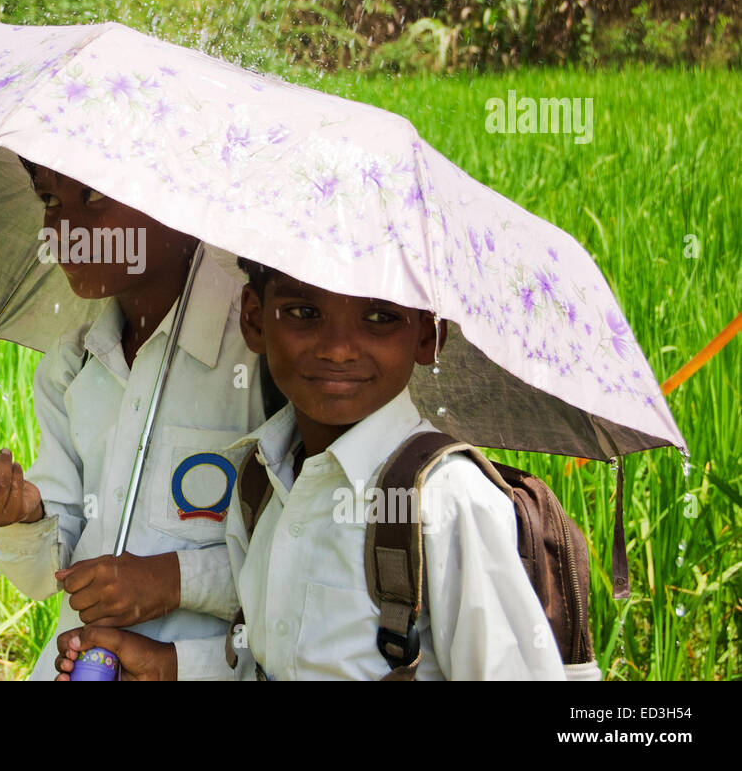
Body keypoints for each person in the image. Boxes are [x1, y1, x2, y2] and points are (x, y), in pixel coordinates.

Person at [53, 257, 567, 680]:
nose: (338, 348)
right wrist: (168, 667)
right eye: (303, 311)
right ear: (253, 319)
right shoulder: (262, 483)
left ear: (428, 335)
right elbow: (273, 662)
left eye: (381, 317)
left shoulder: (447, 502)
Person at [0, 157, 274, 680]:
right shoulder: (71, 366)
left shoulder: (267, 360)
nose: (63, 232)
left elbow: (304, 565)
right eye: (50, 199)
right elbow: (48, 574)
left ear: (180, 195)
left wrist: (174, 581)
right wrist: (22, 518)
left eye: (93, 197)